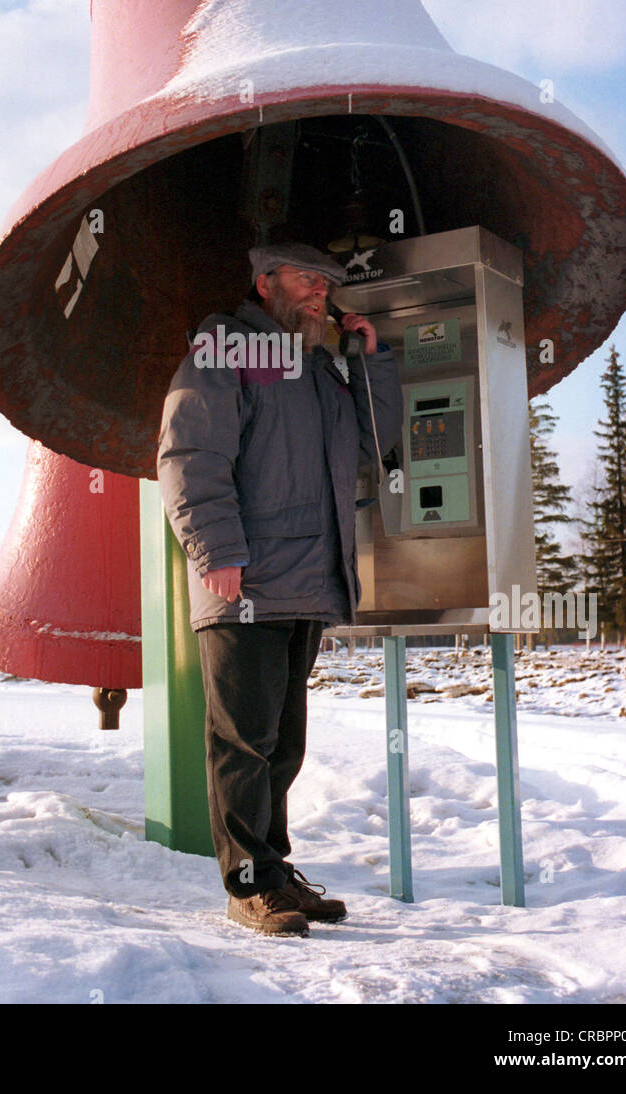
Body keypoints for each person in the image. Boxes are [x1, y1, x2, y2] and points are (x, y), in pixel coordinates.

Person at [157, 242, 403, 935]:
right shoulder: (224, 347)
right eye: (305, 278)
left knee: (283, 745)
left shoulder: (321, 369)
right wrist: (216, 549)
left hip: (306, 582)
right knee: (243, 740)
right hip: (245, 576)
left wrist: (367, 360)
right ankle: (246, 886)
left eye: (327, 282)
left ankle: (274, 873)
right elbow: (189, 453)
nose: (321, 291)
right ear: (264, 283)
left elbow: (372, 446)